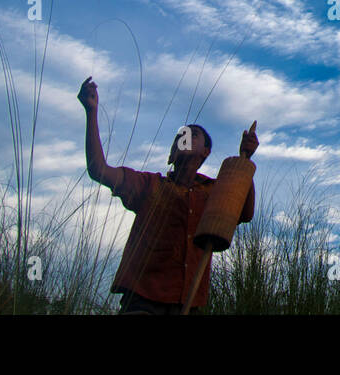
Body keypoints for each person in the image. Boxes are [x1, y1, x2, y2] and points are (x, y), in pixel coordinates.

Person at [78, 76, 257, 314]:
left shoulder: (215, 193)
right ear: (172, 154)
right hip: (142, 301)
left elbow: (243, 213)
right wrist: (91, 112)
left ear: (205, 152)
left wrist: (245, 160)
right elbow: (98, 169)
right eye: (179, 137)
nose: (184, 137)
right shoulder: (149, 185)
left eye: (193, 135)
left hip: (188, 303)